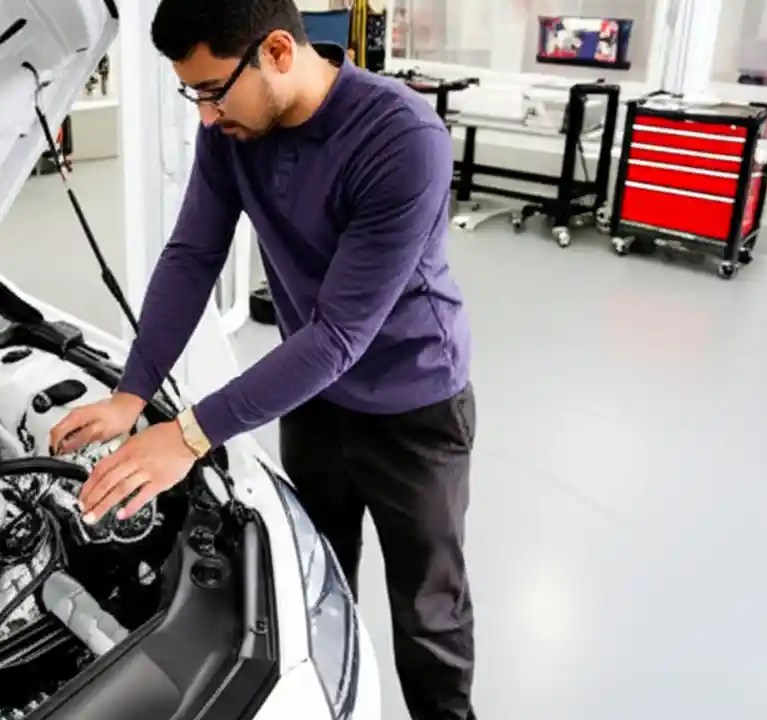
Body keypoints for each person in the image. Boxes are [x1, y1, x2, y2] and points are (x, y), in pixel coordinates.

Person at [48, 1, 475, 718]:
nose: (206, 115)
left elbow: (338, 334)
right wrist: (132, 392)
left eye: (213, 91)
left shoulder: (401, 138)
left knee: (429, 612)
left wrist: (188, 435)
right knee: (316, 584)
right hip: (312, 399)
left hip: (413, 404)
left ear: (277, 51)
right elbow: (193, 254)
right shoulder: (233, 128)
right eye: (193, 94)